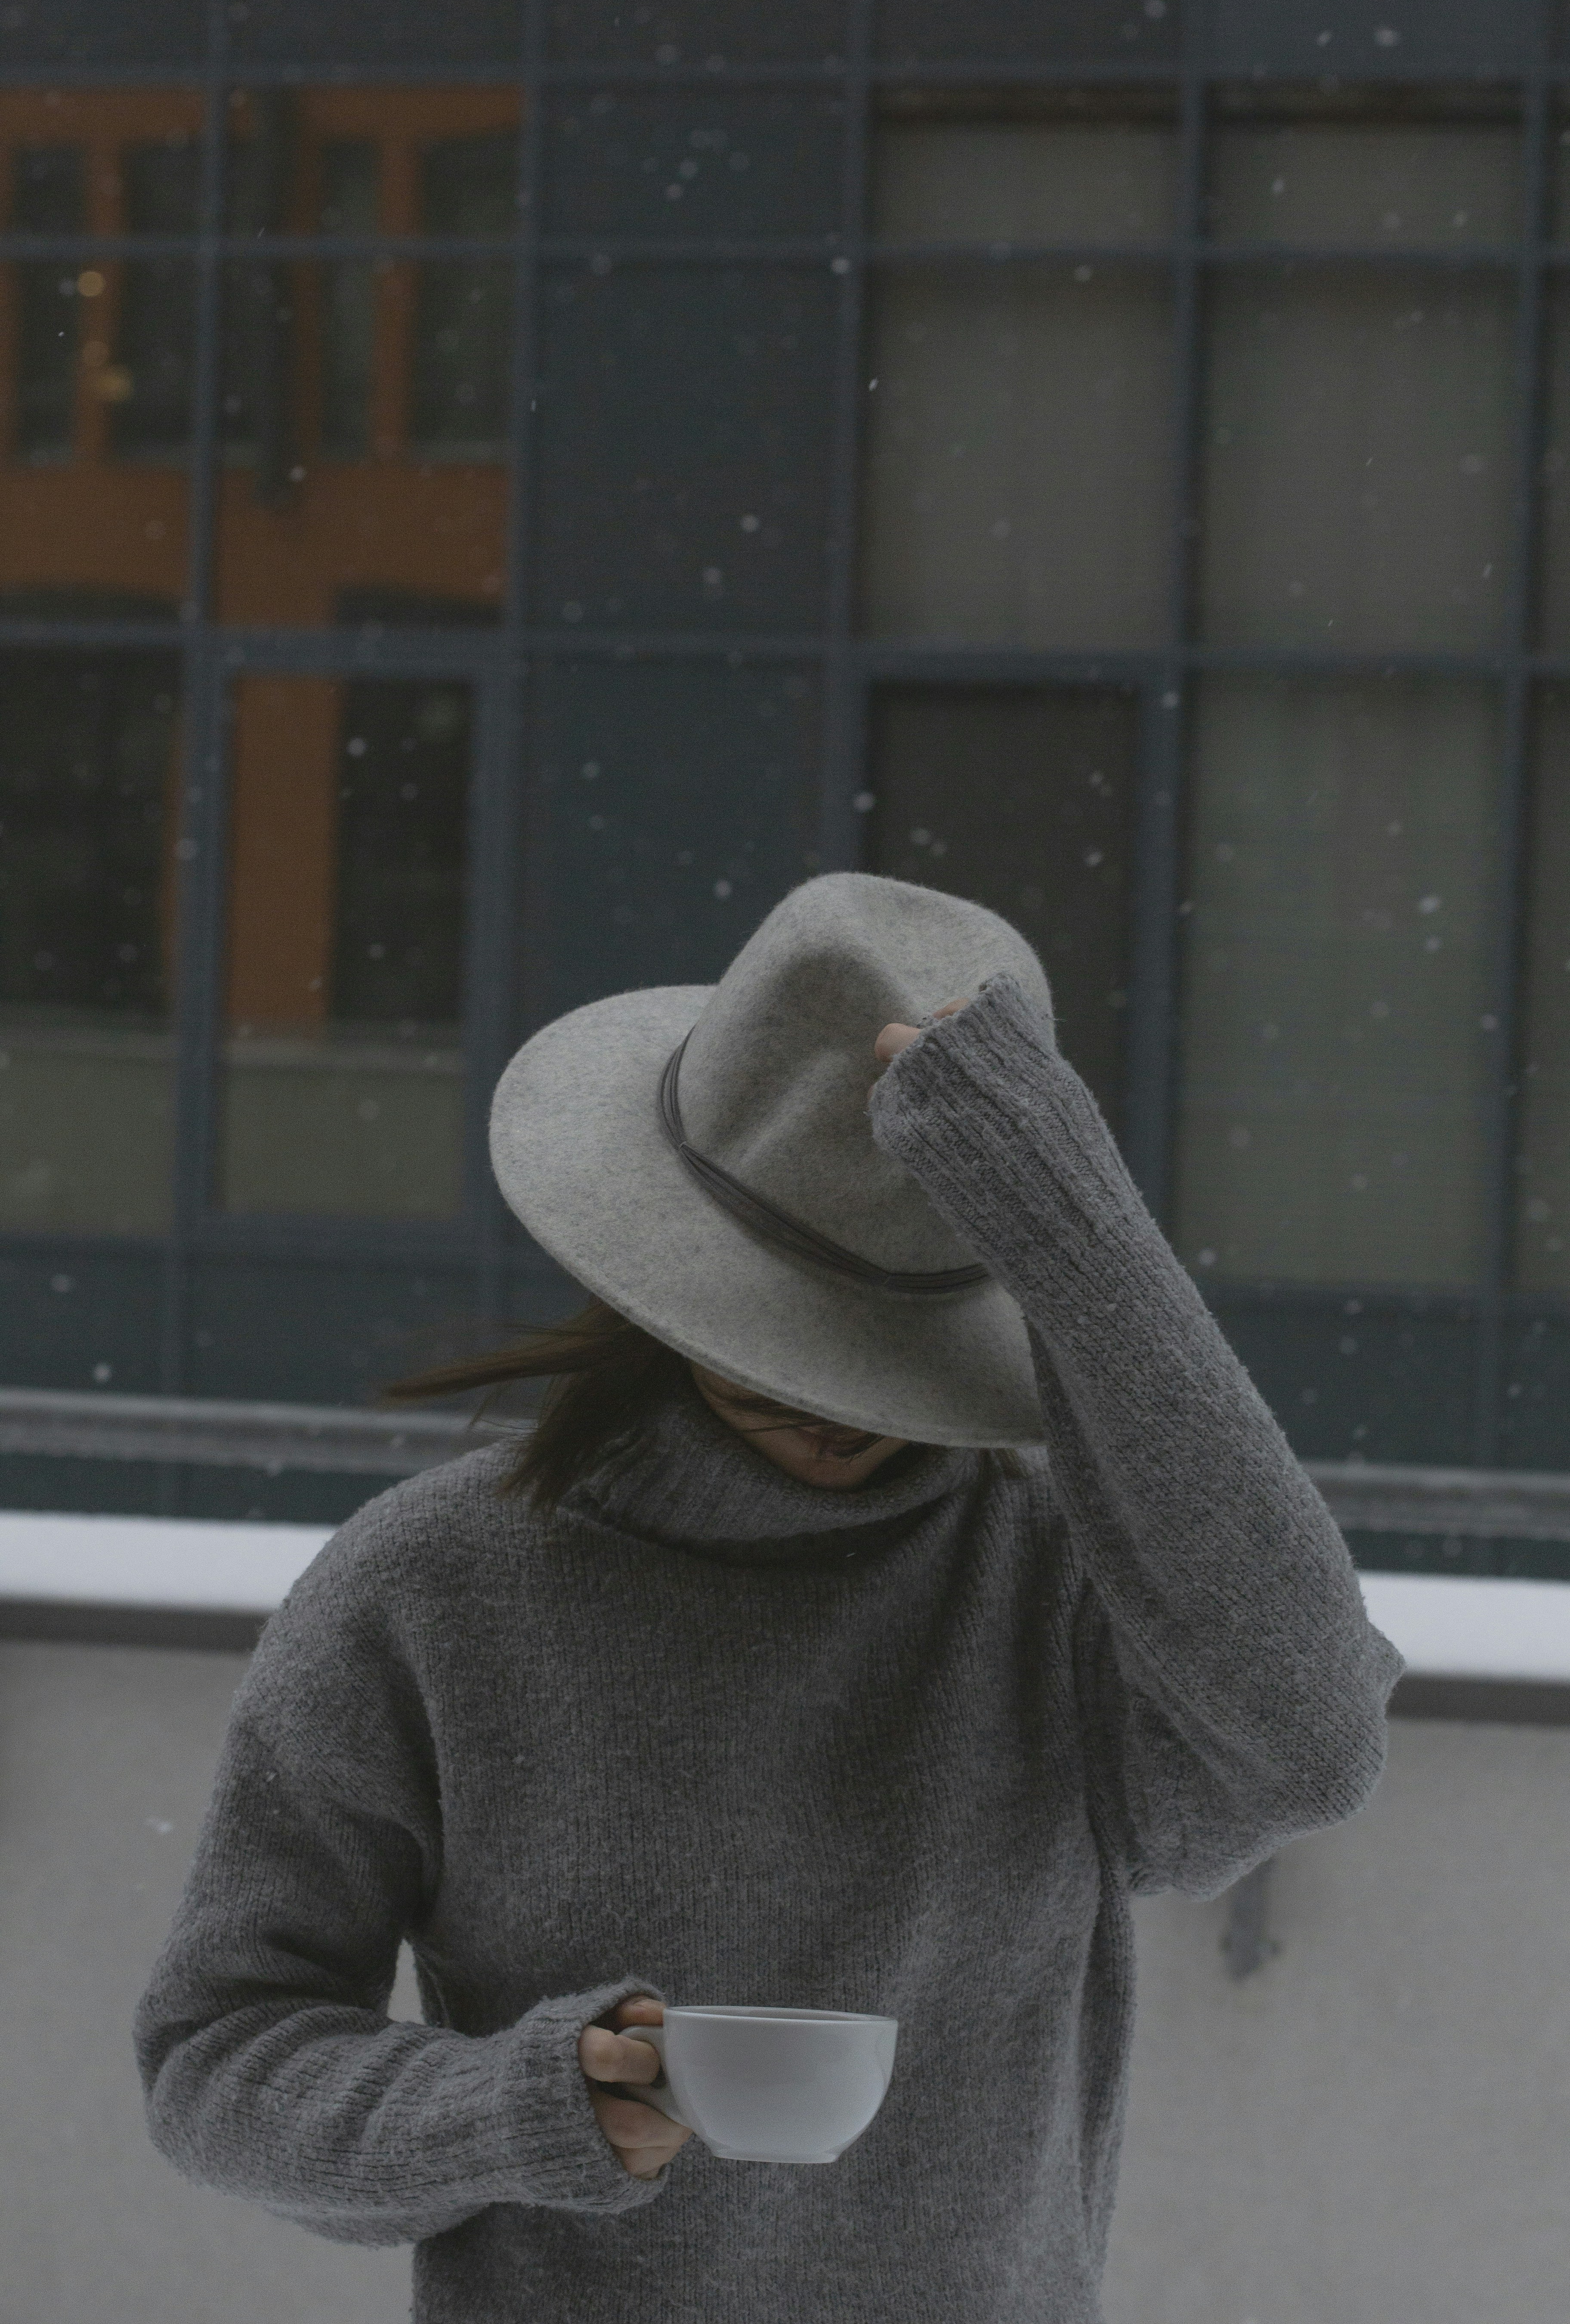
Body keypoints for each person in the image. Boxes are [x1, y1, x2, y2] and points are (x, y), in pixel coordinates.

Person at [135, 872, 1403, 2323]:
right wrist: (520, 2107)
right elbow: (219, 2059)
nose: (827, 1401)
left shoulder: (1051, 1575)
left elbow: (1312, 1745)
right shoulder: (435, 1586)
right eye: (777, 1334)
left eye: (874, 1341)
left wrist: (1079, 1243)